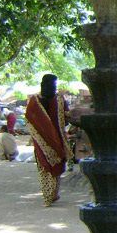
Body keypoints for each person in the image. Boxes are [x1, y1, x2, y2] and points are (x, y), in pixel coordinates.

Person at [25, 74, 71, 206]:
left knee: (45, 166)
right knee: (55, 166)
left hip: (41, 141)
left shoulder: (34, 100)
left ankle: (48, 196)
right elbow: (66, 117)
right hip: (56, 140)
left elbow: (29, 119)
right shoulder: (59, 100)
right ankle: (53, 194)